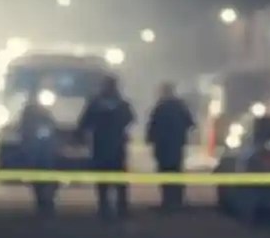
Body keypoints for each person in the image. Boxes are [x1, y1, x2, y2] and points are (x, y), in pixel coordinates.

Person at [77, 75, 135, 220]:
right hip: (117, 145)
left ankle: (104, 207)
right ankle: (121, 208)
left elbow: (84, 122)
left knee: (102, 179)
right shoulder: (121, 103)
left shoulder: (95, 103)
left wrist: (81, 136)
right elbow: (130, 119)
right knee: (119, 179)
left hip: (101, 145)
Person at [145, 82, 196, 211]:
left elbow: (152, 126)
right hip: (176, 144)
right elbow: (190, 123)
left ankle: (167, 200)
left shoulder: (159, 107)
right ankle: (177, 200)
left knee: (164, 172)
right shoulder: (180, 106)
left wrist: (150, 139)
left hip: (162, 146)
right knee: (176, 171)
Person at [18, 97, 59, 216]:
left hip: (42, 154)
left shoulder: (41, 116)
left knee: (43, 180)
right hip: (38, 154)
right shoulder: (30, 116)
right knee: (40, 181)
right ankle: (44, 203)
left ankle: (45, 202)